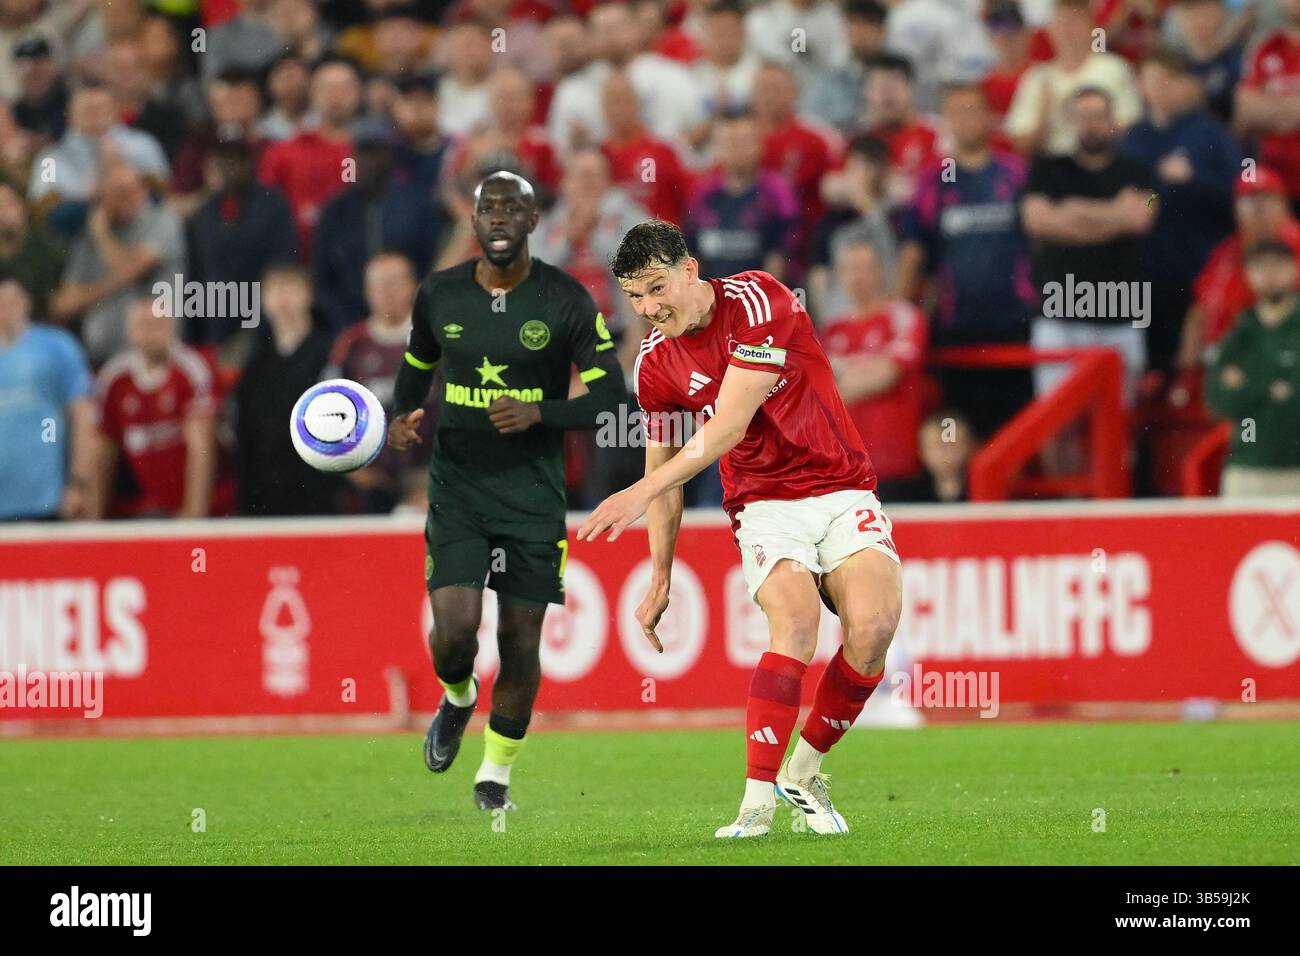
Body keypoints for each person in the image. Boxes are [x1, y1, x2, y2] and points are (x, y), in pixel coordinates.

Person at [580, 220, 901, 838]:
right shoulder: (654, 364)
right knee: (796, 624)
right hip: (763, 502)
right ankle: (755, 808)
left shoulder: (758, 298)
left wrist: (635, 494)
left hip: (840, 485)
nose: (649, 309)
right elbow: (664, 475)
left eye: (657, 288)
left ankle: (803, 772)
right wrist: (660, 574)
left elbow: (727, 426)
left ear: (690, 270)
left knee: (874, 630)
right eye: (635, 298)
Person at [386, 171, 627, 811]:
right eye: (487, 208)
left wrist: (540, 412)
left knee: (520, 640)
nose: (498, 217)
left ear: (532, 221)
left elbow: (613, 398)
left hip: (533, 499)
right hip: (459, 491)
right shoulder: (439, 295)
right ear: (472, 221)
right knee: (455, 633)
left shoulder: (566, 300)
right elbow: (415, 368)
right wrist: (401, 416)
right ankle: (458, 694)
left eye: (511, 208)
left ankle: (494, 776)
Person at [1020, 86, 1158, 405]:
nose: (1091, 125)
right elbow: (1037, 220)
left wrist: (1069, 212)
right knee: (1056, 417)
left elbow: (1143, 216)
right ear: (1070, 121)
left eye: (1098, 116)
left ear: (1113, 120)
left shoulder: (1142, 172)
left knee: (1118, 418)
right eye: (1083, 116)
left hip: (1122, 315)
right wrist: (1115, 214)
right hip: (1059, 314)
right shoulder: (1044, 169)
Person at [821, 240, 929, 495]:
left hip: (895, 466)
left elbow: (887, 376)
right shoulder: (832, 329)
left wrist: (841, 385)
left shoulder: (904, 317)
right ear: (841, 276)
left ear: (882, 271)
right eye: (851, 269)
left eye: (865, 268)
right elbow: (818, 391)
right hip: (845, 473)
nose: (858, 276)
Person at [94, 300, 218, 519]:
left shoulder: (191, 370)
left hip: (201, 506)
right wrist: (94, 518)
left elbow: (201, 446)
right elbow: (103, 450)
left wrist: (194, 515)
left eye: (159, 324)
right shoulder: (114, 379)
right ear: (130, 331)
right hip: (149, 506)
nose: (151, 333)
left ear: (173, 327)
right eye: (144, 325)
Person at [234, 263, 339, 517]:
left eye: (290, 288)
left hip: (320, 492)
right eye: (274, 290)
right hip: (265, 493)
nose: (283, 299)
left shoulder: (332, 354)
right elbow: (245, 433)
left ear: (309, 295)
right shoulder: (255, 363)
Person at [1205, 238, 1300, 497]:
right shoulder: (1240, 332)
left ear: (1293, 269)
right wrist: (1271, 388)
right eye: (1260, 267)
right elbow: (1218, 400)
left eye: (1277, 265)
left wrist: (1247, 386)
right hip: (1247, 465)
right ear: (1248, 274)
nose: (1269, 275)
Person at [0, 278, 95, 522]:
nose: (5, 309)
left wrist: (79, 482)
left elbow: (82, 414)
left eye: (12, 301)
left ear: (27, 303)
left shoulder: (56, 347)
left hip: (45, 496)